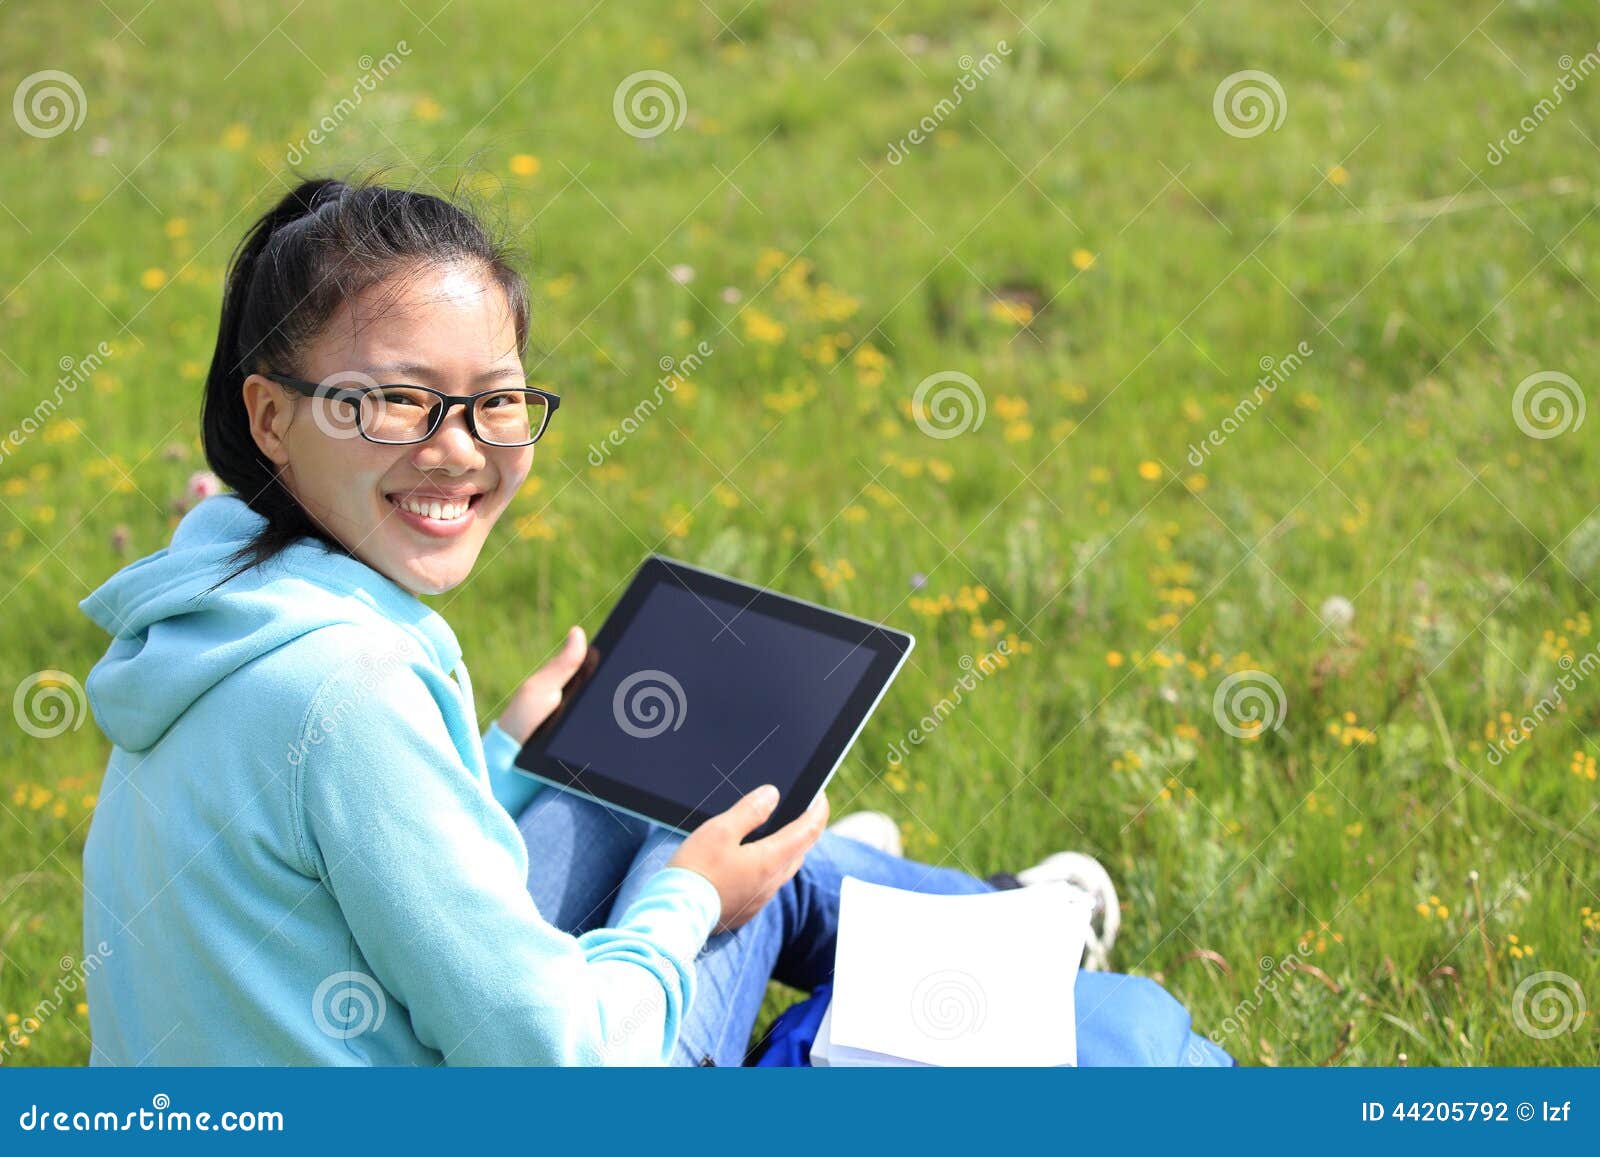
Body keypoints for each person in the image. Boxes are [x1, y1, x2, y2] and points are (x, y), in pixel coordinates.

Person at [78, 175, 1122, 1067]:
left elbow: (334, 868)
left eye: (495, 399)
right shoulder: (348, 685)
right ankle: (1003, 929)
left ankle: (996, 913)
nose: (456, 449)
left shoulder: (214, 617)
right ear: (272, 416)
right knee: (716, 832)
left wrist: (500, 753)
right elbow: (555, 1053)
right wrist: (687, 903)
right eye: (395, 400)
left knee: (630, 782)